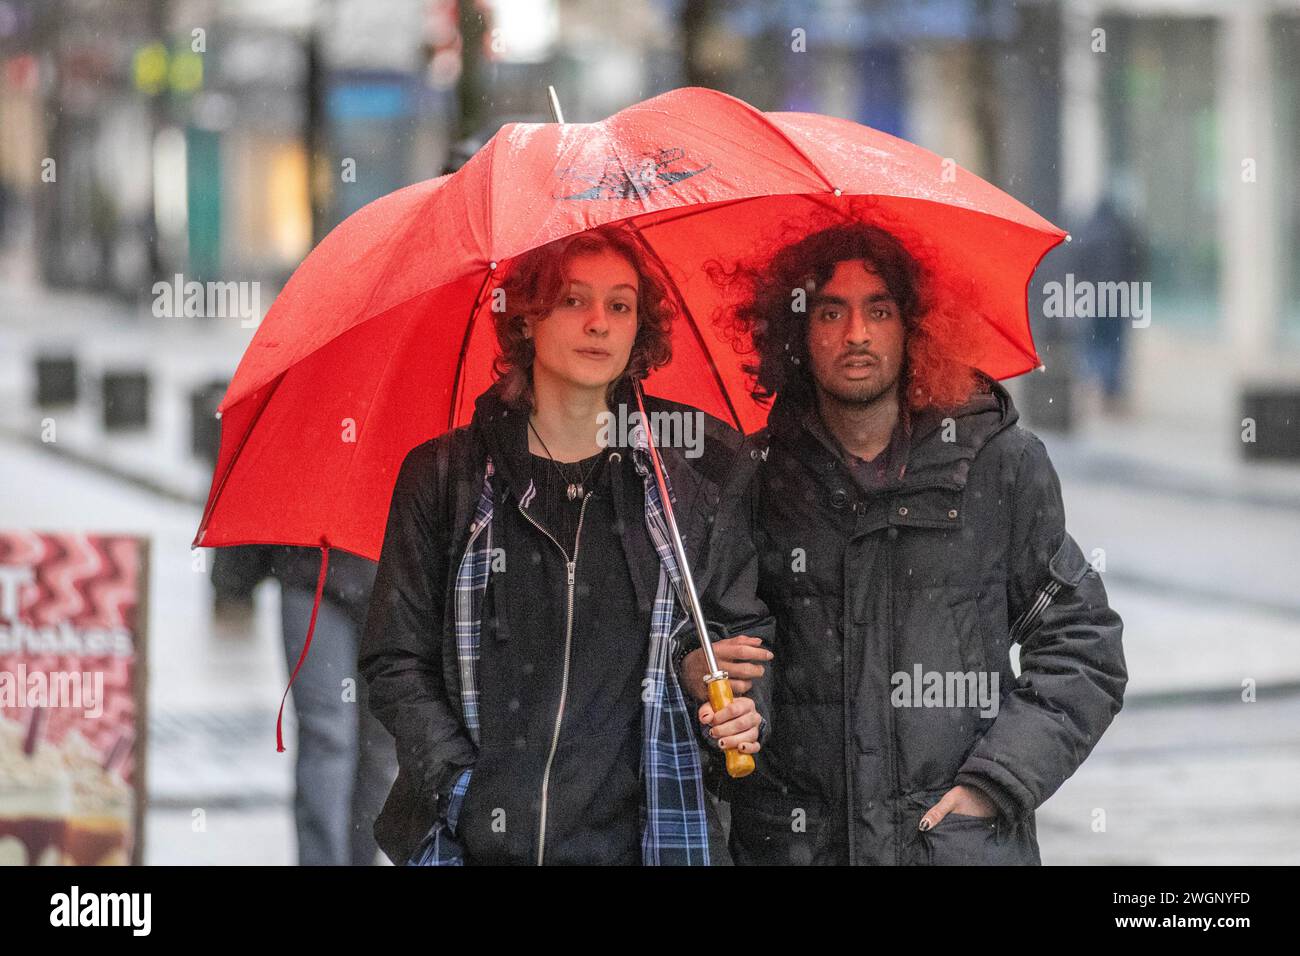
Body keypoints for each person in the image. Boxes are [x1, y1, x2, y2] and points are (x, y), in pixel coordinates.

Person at [680, 221, 1127, 865]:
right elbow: (731, 646)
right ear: (798, 332)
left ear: (914, 327)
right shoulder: (755, 477)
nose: (856, 334)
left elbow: (1083, 646)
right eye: (831, 311)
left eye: (879, 310)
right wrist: (707, 679)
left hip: (952, 849)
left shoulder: (997, 466)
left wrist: (993, 783)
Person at [358, 223, 772, 866]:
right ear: (525, 320)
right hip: (474, 846)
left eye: (620, 305)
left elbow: (735, 630)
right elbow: (395, 661)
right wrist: (464, 791)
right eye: (572, 300)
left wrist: (714, 685)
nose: (599, 323)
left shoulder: (690, 473)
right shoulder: (447, 476)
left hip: (640, 844)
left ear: (641, 328)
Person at [211, 544, 397, 865]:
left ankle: (360, 859)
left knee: (380, 746)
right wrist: (234, 576)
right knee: (326, 736)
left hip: (396, 581)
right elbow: (264, 494)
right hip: (311, 576)